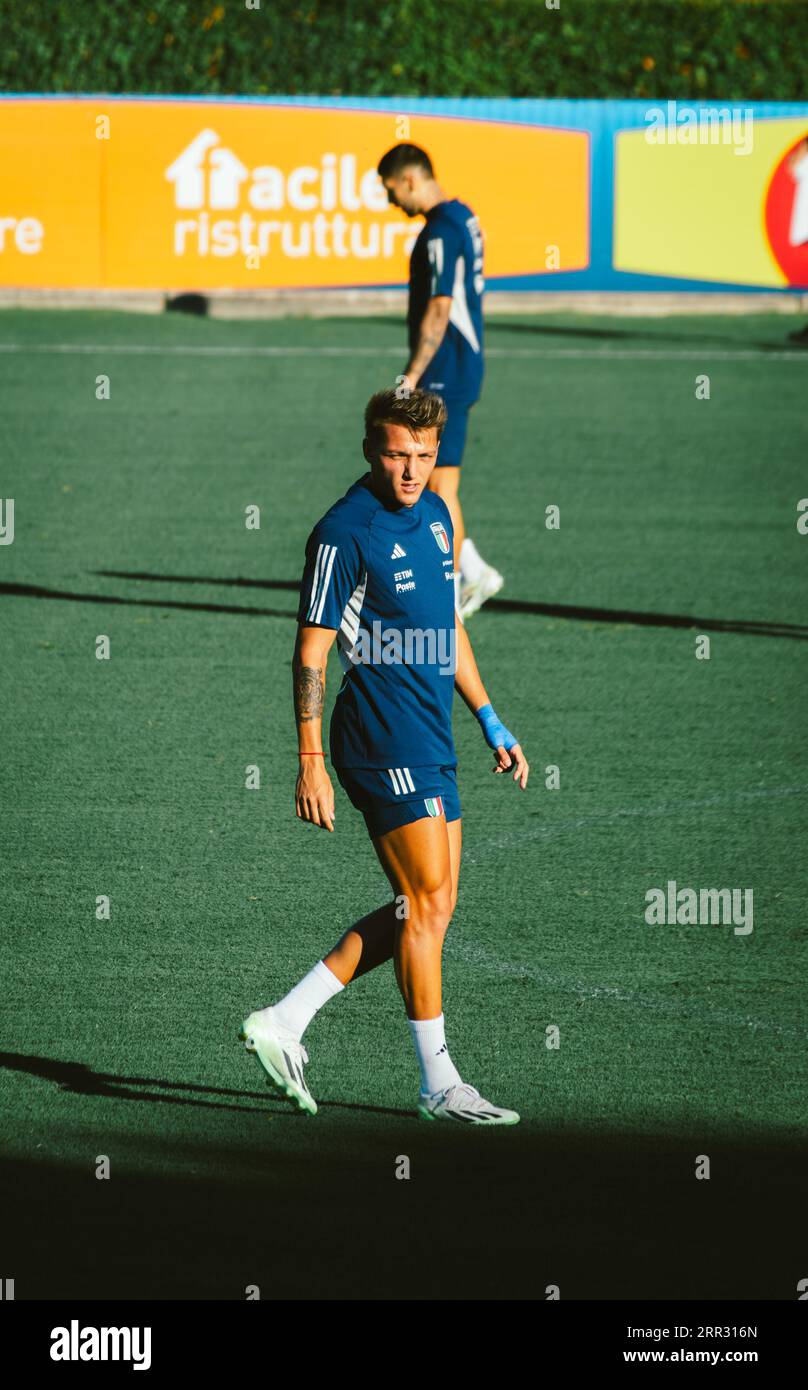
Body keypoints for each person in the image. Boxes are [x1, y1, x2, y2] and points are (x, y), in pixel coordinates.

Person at [239, 388, 529, 1124]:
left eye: (425, 457)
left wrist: (490, 718)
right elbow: (311, 651)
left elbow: (448, 624)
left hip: (431, 730)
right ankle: (439, 1083)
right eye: (398, 455)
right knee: (428, 904)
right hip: (377, 736)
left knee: (429, 905)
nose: (412, 471)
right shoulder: (344, 532)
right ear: (371, 449)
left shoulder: (436, 514)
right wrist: (309, 760)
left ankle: (285, 1021)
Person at [376, 141, 504, 619]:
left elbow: (440, 306)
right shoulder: (463, 216)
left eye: (391, 190)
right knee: (440, 480)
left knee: (435, 489)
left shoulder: (437, 232)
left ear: (410, 179)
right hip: (463, 364)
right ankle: (471, 572)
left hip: (445, 370)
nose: (392, 201)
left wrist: (411, 374)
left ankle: (448, 592)